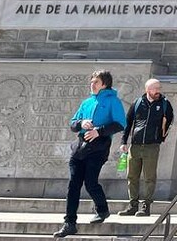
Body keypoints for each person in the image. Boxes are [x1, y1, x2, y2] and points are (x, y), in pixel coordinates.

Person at [54, 70, 126, 238]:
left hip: (99, 147)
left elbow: (120, 123)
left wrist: (98, 131)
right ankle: (69, 223)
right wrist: (81, 123)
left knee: (90, 182)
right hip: (79, 147)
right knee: (73, 185)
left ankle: (102, 209)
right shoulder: (86, 102)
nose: (92, 84)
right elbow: (72, 124)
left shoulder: (113, 101)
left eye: (96, 82)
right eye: (92, 81)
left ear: (105, 84)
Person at [118, 78, 175, 217]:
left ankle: (146, 206)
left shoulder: (165, 104)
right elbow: (128, 123)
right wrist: (123, 141)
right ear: (147, 90)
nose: (158, 91)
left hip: (152, 146)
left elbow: (170, 121)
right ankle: (133, 205)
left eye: (159, 88)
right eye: (155, 88)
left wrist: (160, 138)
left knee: (149, 177)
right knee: (132, 176)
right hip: (135, 145)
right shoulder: (137, 103)